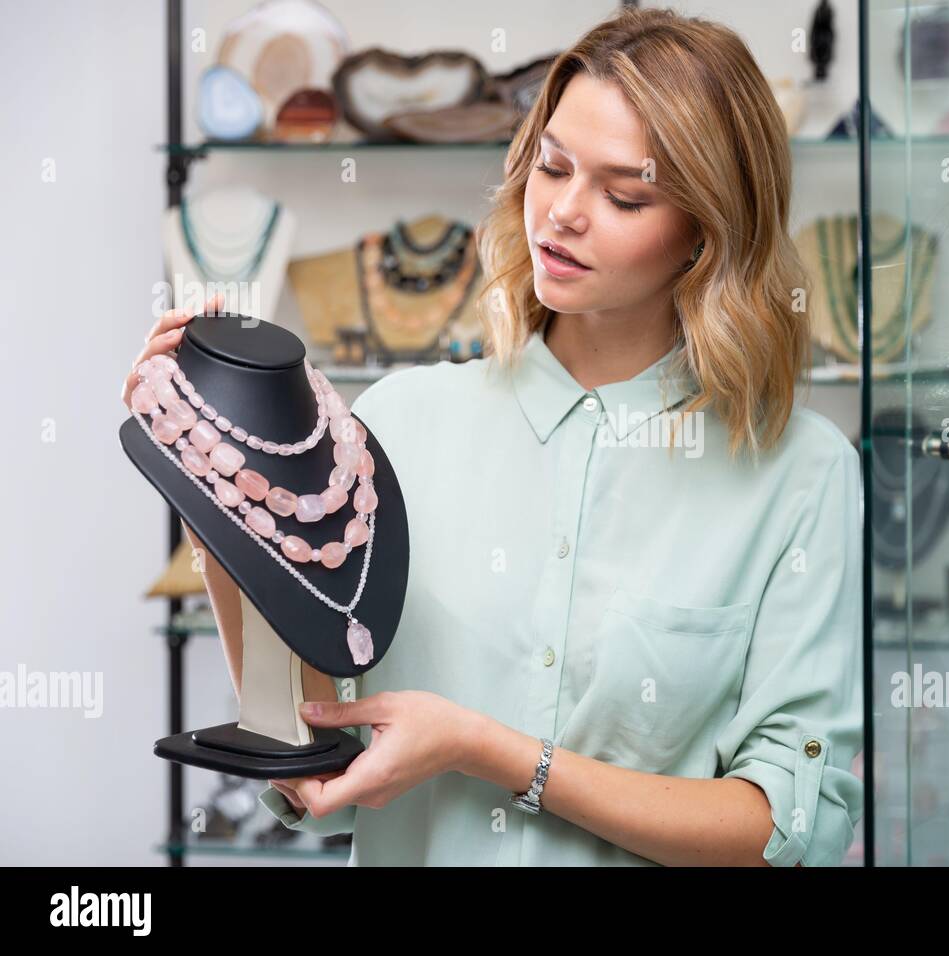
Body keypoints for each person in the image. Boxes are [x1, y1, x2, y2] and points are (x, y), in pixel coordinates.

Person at [123, 7, 863, 866]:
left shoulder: (801, 475)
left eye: (625, 194)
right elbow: (320, 779)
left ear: (706, 229)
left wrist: (492, 753)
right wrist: (208, 494)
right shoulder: (397, 424)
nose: (564, 214)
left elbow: (784, 829)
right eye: (551, 167)